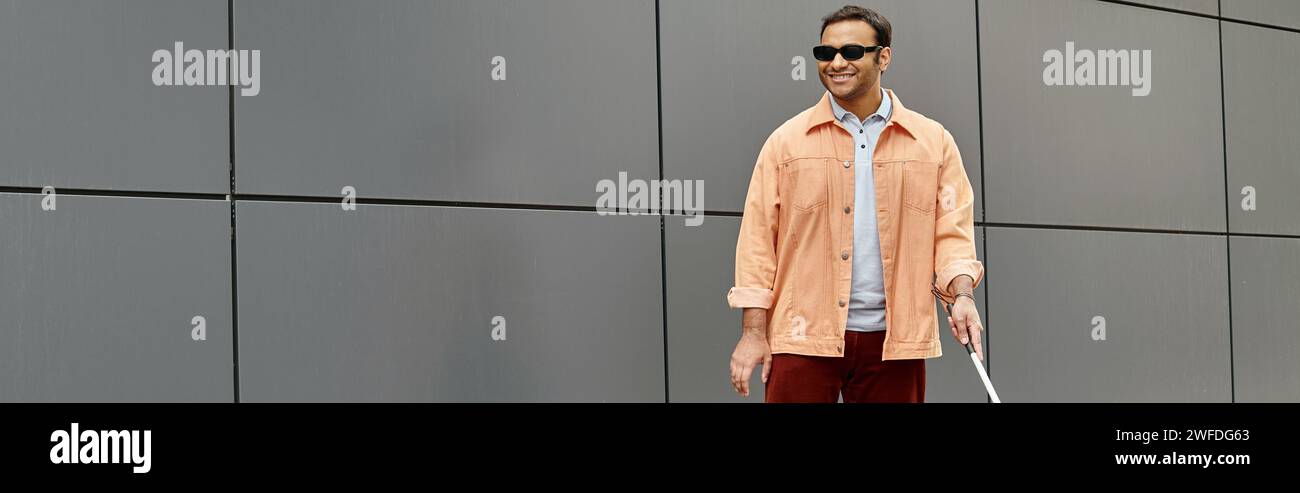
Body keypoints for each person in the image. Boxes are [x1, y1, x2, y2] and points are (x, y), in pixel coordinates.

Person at [727, 5, 984, 403]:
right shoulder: (786, 143)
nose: (836, 63)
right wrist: (753, 333)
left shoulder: (933, 142)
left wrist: (963, 294)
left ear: (884, 57)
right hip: (802, 339)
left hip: (894, 344)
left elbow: (952, 234)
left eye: (851, 51)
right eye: (826, 53)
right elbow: (758, 242)